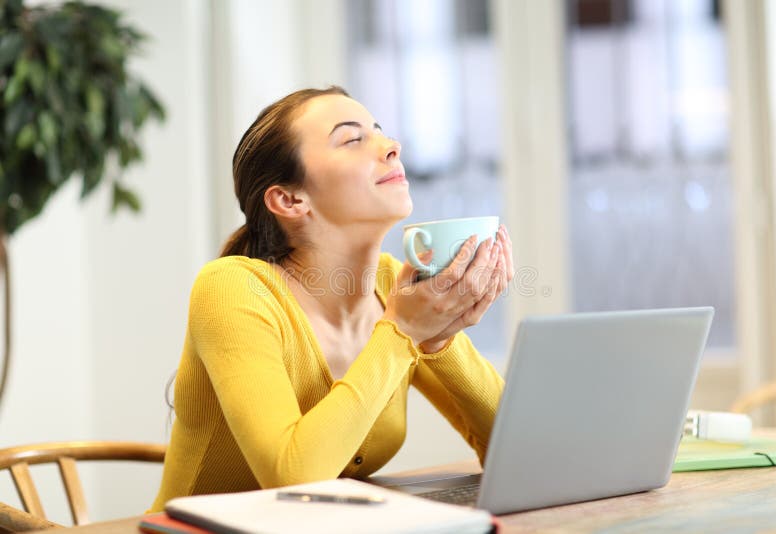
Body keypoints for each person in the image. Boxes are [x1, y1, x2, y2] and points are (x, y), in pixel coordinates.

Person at [150, 86, 514, 511]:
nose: (392, 146)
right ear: (289, 199)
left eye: (380, 132)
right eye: (352, 139)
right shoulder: (233, 288)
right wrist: (404, 332)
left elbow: (515, 452)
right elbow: (292, 477)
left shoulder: (393, 286)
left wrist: (438, 338)